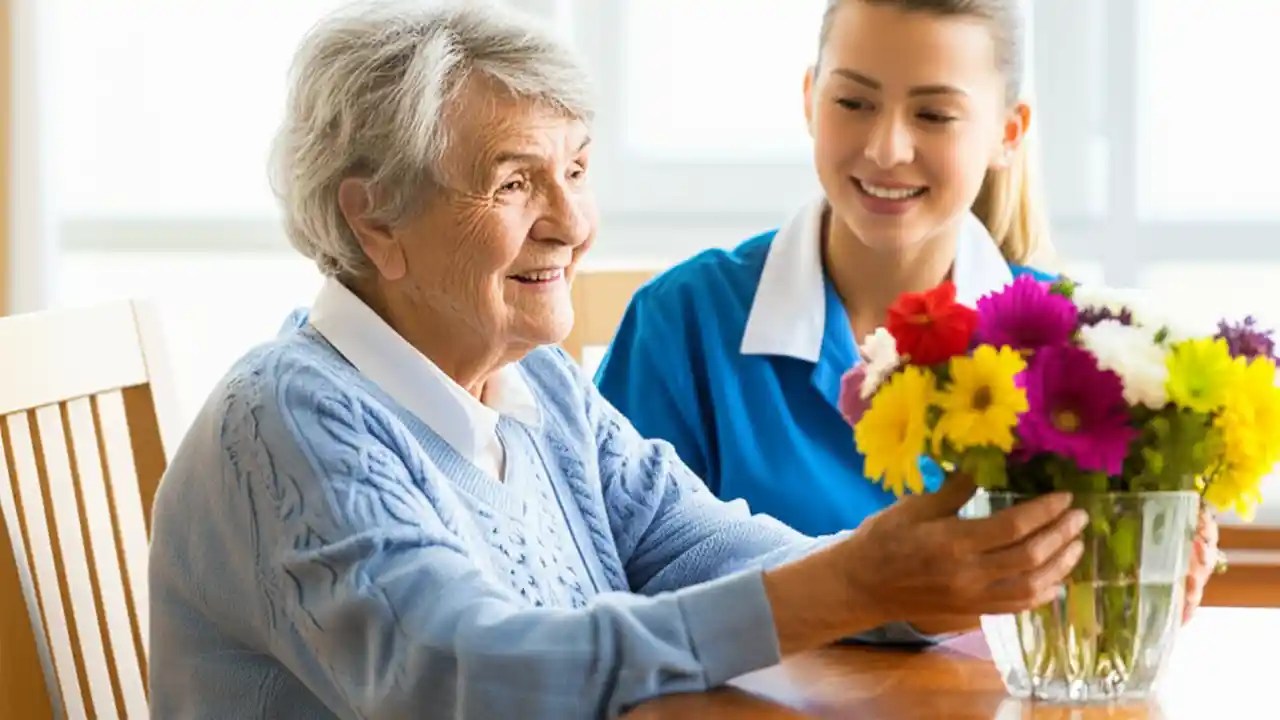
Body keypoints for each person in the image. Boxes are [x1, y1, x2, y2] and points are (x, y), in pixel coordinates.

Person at [147, 2, 1095, 718]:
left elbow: (712, 550)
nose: (571, 223)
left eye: (577, 170)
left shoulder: (541, 390)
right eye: (515, 181)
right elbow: (470, 673)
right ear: (374, 217)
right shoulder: (287, 416)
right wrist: (856, 583)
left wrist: (933, 576)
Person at [594, 0, 1219, 619]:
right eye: (854, 103)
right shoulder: (680, 324)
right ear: (811, 98)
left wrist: (1143, 581)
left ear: (1008, 134)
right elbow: (613, 594)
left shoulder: (1074, 350)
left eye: (934, 114)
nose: (888, 148)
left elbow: (1083, 615)